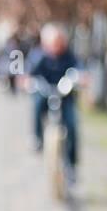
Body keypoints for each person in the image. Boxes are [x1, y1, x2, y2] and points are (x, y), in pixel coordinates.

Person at [22, 22, 81, 184]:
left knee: (72, 123)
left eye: (58, 43)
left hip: (64, 95)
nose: (55, 47)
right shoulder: (39, 56)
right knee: (36, 104)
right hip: (45, 93)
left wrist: (79, 77)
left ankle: (71, 165)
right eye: (52, 44)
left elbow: (79, 69)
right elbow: (28, 73)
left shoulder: (69, 56)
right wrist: (28, 81)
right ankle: (37, 136)